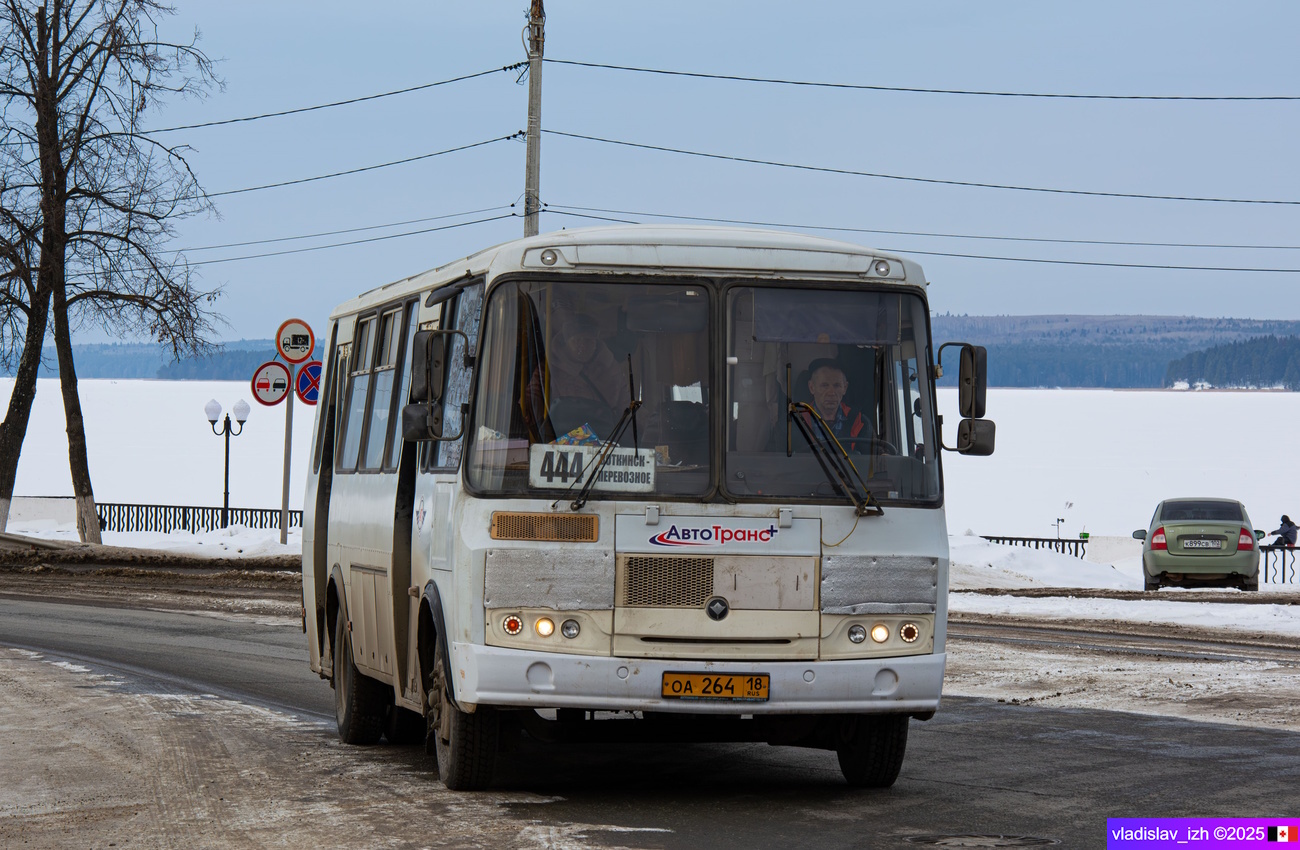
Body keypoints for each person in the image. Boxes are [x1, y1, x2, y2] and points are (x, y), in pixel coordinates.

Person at [524, 316, 627, 440]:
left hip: (603, 447)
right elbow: (533, 397)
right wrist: (527, 410)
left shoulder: (610, 370)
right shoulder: (549, 368)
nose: (582, 346)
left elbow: (625, 409)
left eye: (588, 341)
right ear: (566, 343)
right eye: (577, 340)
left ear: (596, 343)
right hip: (557, 444)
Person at [800, 358, 872, 453]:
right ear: (812, 387)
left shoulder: (861, 422)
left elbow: (872, 460)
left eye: (837, 385)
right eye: (825, 385)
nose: (831, 392)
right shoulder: (794, 422)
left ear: (845, 388)